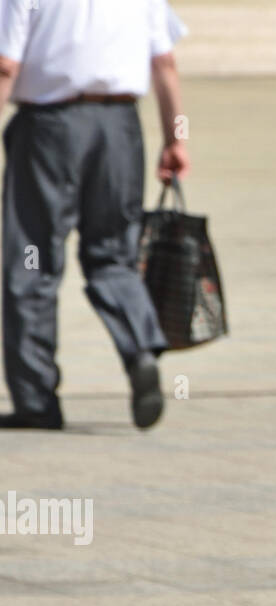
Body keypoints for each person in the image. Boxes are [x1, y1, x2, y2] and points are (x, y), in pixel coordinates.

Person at [0, 0, 189, 431]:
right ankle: (140, 348)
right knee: (113, 256)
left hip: (48, 131)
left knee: (32, 261)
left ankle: (35, 400)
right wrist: (176, 137)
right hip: (119, 130)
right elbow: (166, 63)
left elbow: (6, 67)